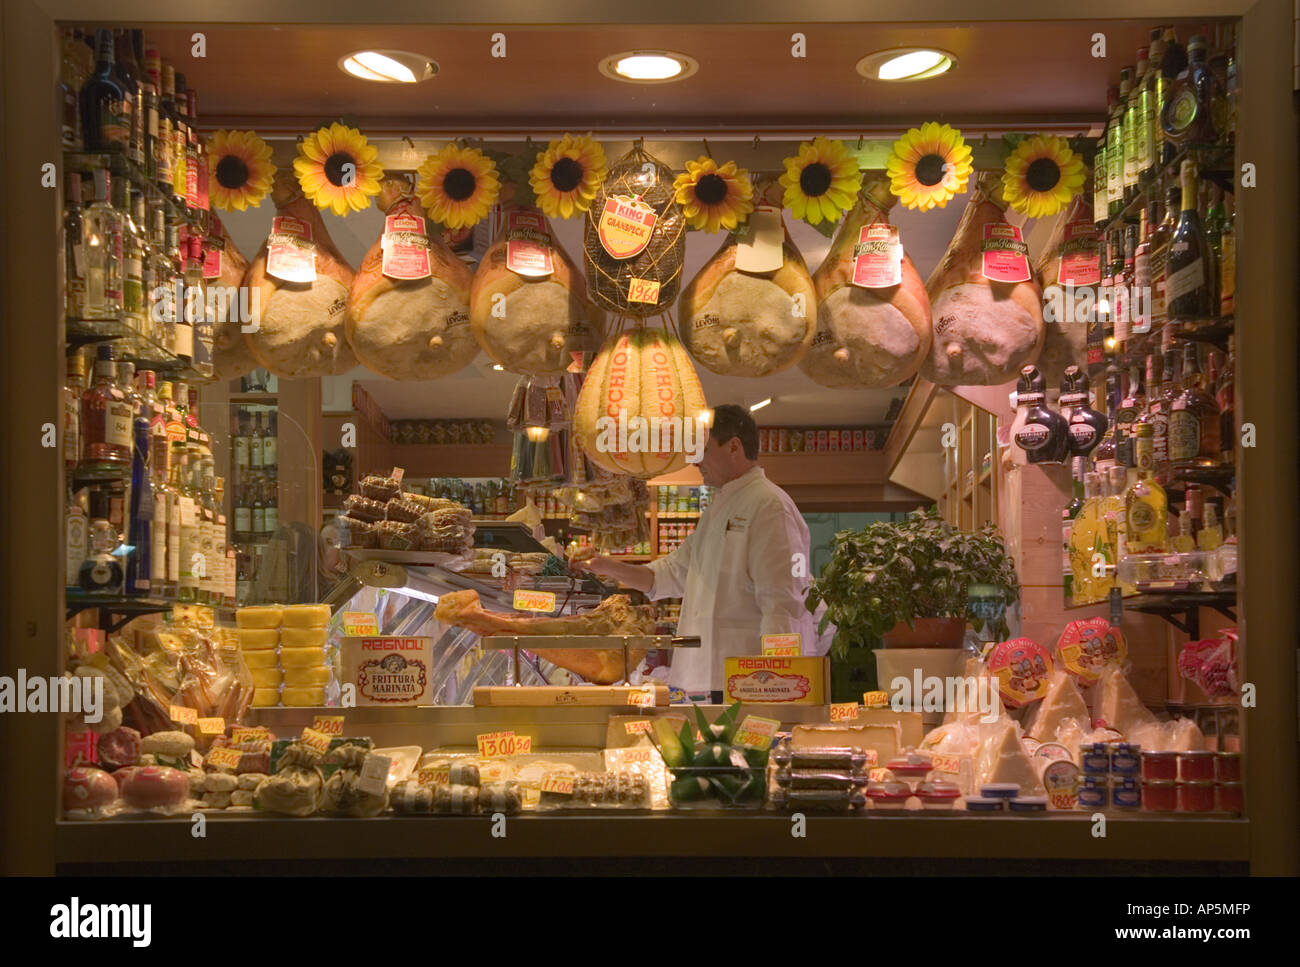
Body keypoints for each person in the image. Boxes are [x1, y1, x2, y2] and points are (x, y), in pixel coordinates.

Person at [578, 404, 828, 699]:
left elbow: (783, 603)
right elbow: (671, 574)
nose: (695, 460)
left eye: (703, 449)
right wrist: (606, 566)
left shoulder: (770, 505)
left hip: (751, 681)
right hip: (711, 678)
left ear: (734, 447)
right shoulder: (719, 508)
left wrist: (778, 688)